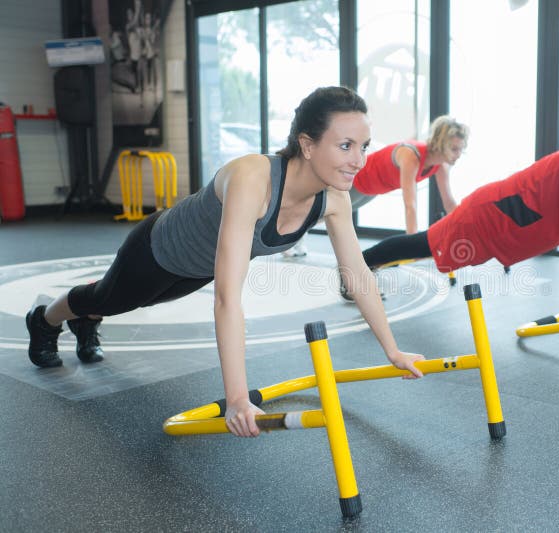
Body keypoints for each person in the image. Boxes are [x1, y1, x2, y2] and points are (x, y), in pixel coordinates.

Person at [25, 86, 426, 437]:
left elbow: (358, 276)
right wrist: (237, 399)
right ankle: (45, 320)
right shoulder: (253, 177)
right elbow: (228, 298)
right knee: (107, 299)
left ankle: (85, 319)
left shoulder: (334, 200)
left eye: (364, 146)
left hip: (193, 268)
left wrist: (394, 351)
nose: (359, 160)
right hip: (156, 250)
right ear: (307, 145)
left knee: (140, 302)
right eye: (345, 146)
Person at [352, 89, 559, 330]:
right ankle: (358, 269)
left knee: (425, 245)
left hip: (516, 223)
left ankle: (363, 267)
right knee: (423, 245)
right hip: (491, 215)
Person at [282, 116, 469, 257]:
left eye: (461, 148)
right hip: (357, 179)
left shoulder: (440, 165)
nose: (459, 154)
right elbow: (410, 204)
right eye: (454, 149)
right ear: (440, 143)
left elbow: (449, 203)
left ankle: (294, 233)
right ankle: (288, 235)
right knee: (323, 213)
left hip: (374, 190)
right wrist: (413, 245)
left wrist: (465, 228)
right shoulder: (411, 155)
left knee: (324, 215)